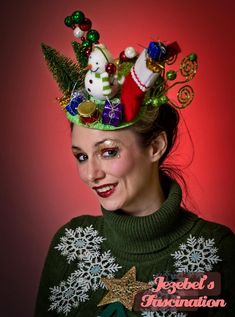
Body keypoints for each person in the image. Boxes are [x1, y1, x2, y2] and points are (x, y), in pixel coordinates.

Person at [35, 9, 235, 317]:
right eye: (81, 156)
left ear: (155, 146)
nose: (91, 174)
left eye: (109, 151)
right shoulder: (68, 244)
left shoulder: (218, 251)